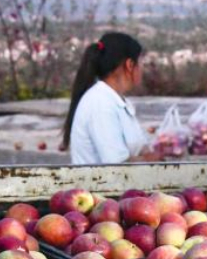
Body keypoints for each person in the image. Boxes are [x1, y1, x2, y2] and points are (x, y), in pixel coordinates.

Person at [63, 32, 161, 165]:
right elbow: (116, 165)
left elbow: (139, 147)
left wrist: (161, 150)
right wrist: (150, 159)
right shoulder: (100, 104)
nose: (141, 69)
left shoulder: (117, 101)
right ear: (130, 65)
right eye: (140, 63)